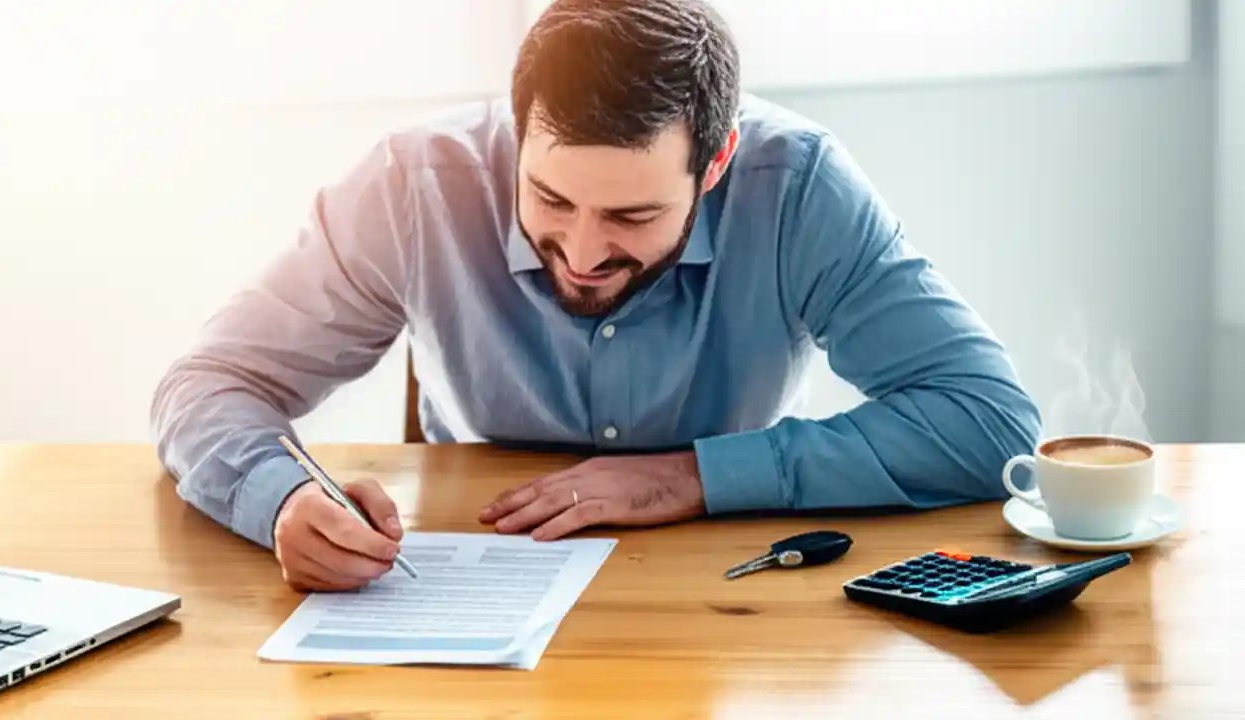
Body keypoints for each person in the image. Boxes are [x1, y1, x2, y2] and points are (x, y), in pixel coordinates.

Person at [150, 0, 1040, 592]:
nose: (579, 252)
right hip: (466, 591)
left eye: (633, 213)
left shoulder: (798, 184)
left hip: (728, 591)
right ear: (517, 127)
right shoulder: (414, 182)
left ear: (717, 164)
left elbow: (989, 422)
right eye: (549, 198)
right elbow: (205, 387)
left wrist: (691, 478)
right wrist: (279, 499)